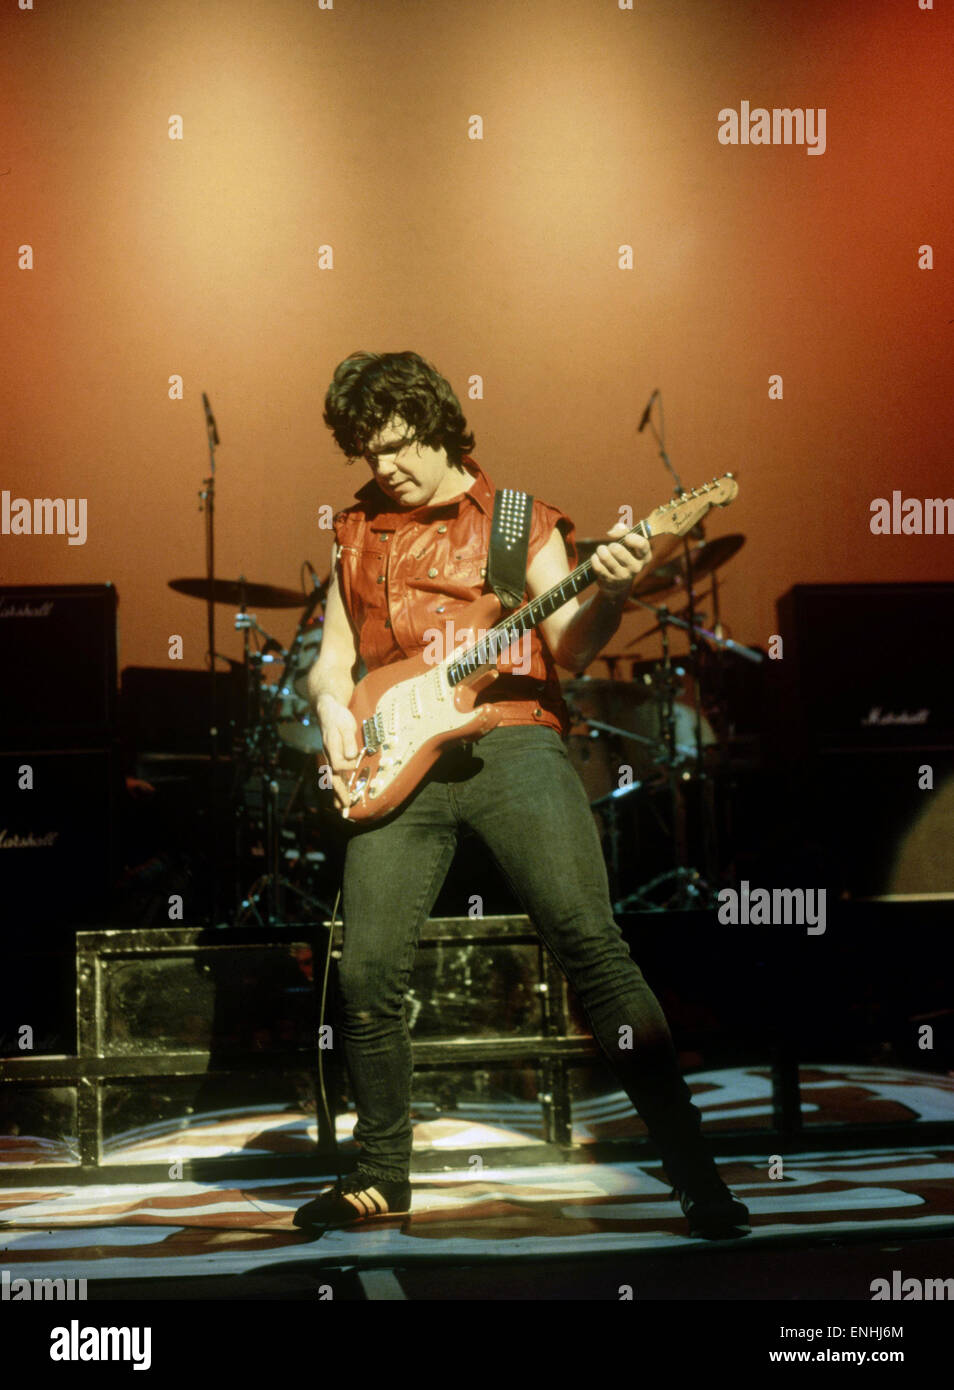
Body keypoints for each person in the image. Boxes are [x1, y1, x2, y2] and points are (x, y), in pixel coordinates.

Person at [293, 351, 750, 1240]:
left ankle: (694, 1173)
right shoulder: (356, 529)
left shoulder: (515, 522)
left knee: (593, 949)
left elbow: (572, 649)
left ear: (436, 424)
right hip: (395, 758)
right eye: (367, 452)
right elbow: (335, 658)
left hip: (512, 740)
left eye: (395, 446)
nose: (381, 466)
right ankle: (383, 1172)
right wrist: (330, 711)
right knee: (367, 973)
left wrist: (609, 593)